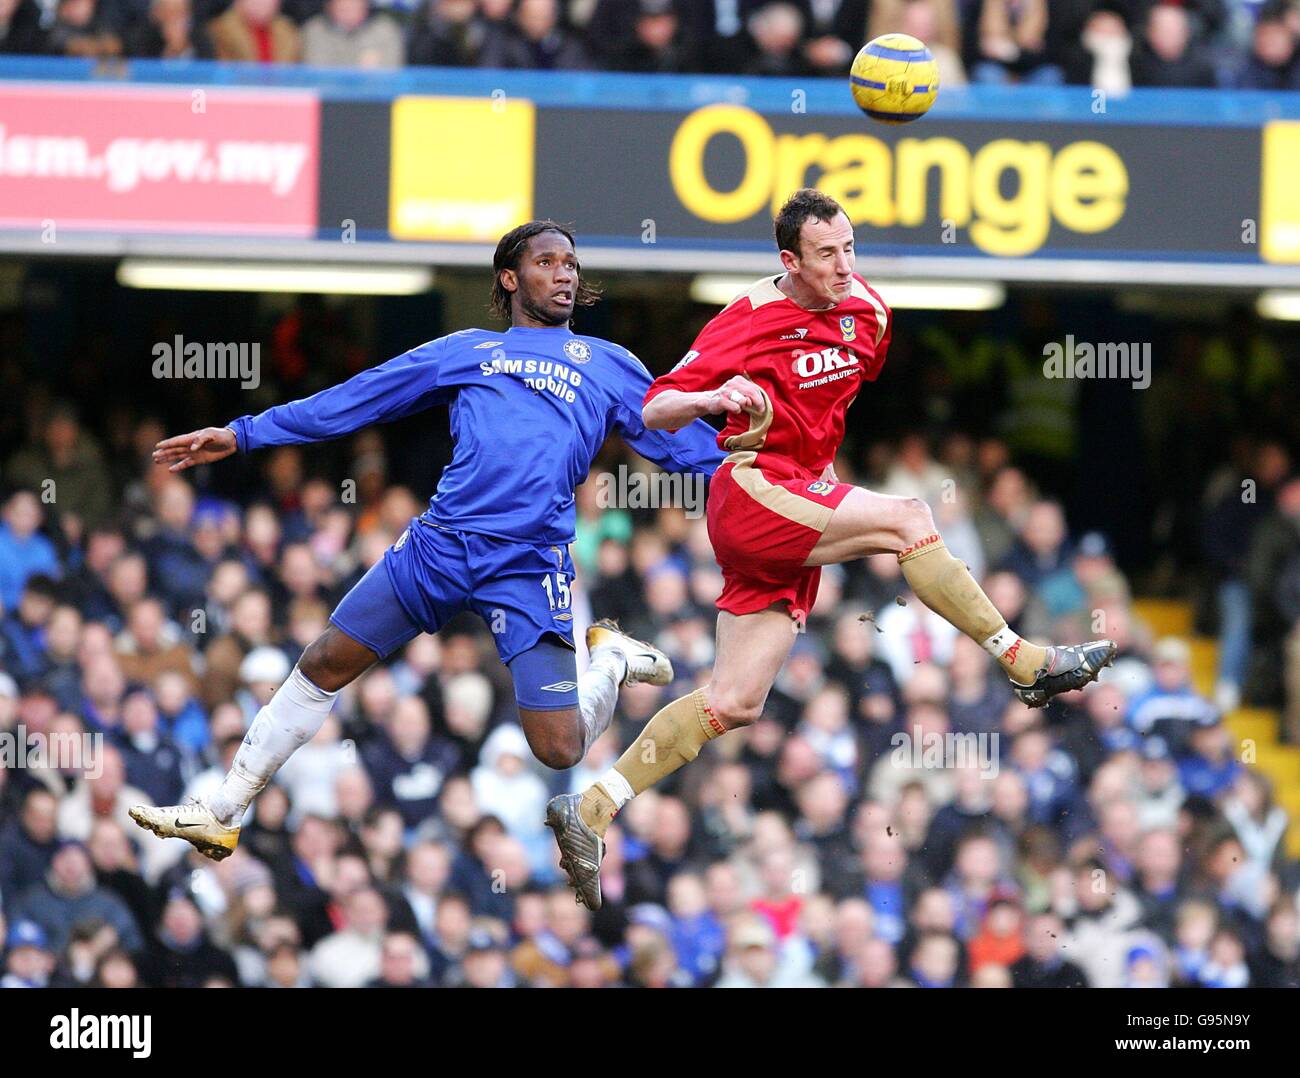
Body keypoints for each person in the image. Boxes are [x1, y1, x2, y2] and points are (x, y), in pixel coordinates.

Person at [547, 189, 1116, 909]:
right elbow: (656, 407)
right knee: (910, 516)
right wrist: (715, 399)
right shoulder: (750, 319)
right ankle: (1024, 661)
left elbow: (836, 401)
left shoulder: (868, 313)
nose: (845, 266)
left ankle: (592, 806)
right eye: (826, 255)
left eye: (850, 248)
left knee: (735, 700)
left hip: (801, 497)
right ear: (790, 261)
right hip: (752, 492)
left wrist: (821, 476)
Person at [128, 220, 724, 863]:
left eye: (571, 264)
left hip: (527, 566)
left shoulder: (608, 365)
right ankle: (221, 810)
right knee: (326, 659)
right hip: (440, 547)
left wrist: (786, 488)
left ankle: (605, 662)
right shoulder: (467, 350)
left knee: (559, 750)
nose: (564, 274)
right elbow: (359, 399)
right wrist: (245, 433)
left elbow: (686, 448)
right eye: (547, 262)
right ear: (510, 277)